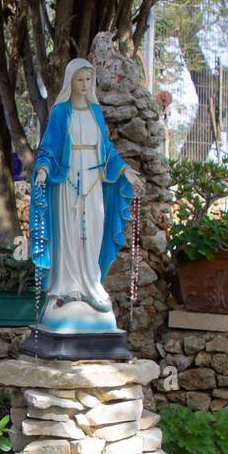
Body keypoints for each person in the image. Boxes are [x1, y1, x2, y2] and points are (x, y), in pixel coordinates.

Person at [31, 59, 142, 335]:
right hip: (67, 184)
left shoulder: (95, 113)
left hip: (93, 183)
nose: (84, 85)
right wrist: (43, 169)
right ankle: (66, 288)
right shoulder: (60, 113)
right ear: (71, 82)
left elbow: (108, 153)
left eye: (88, 80)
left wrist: (126, 171)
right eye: (80, 80)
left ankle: (91, 285)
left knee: (92, 232)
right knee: (69, 234)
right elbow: (48, 148)